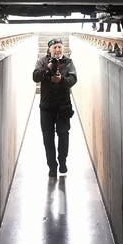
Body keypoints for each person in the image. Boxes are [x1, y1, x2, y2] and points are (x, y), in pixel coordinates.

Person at [33, 38, 77, 177]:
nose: (57, 50)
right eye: (55, 47)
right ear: (49, 49)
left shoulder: (68, 62)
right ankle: (52, 167)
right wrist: (48, 69)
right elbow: (35, 76)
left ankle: (62, 162)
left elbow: (73, 79)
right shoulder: (42, 61)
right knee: (48, 138)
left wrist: (61, 80)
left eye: (59, 47)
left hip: (63, 107)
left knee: (63, 135)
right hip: (46, 107)